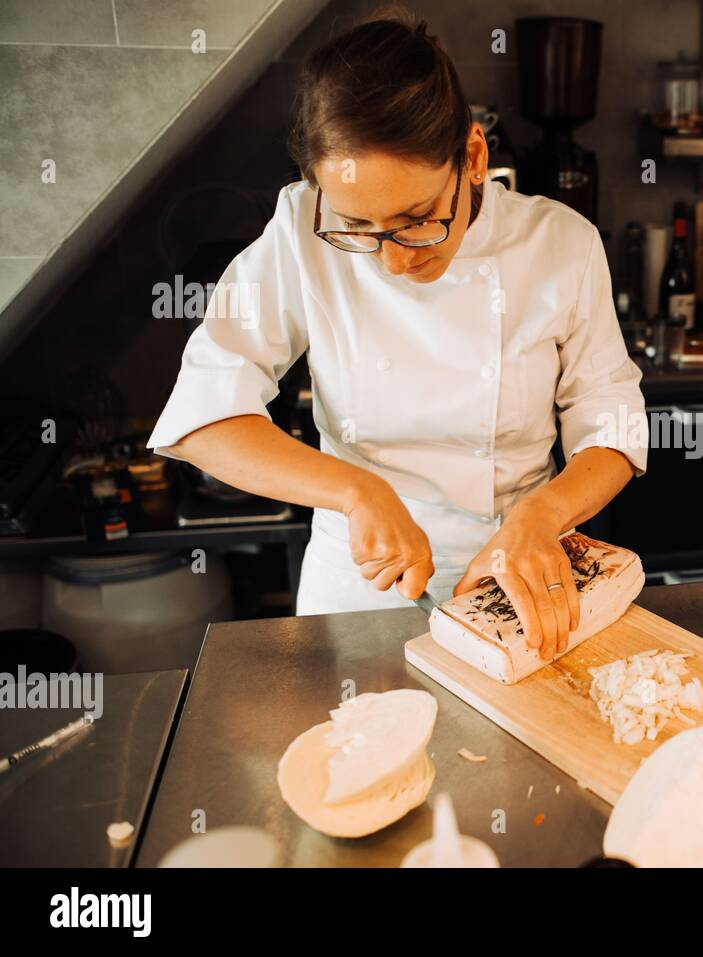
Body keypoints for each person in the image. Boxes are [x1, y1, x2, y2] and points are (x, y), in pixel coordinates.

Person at [148, 15, 647, 660]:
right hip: (363, 588)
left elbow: (613, 426)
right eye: (357, 227)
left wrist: (545, 514)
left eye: (417, 222)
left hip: (518, 573)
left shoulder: (561, 243)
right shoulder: (301, 232)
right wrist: (355, 492)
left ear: (472, 158)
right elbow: (203, 421)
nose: (393, 260)